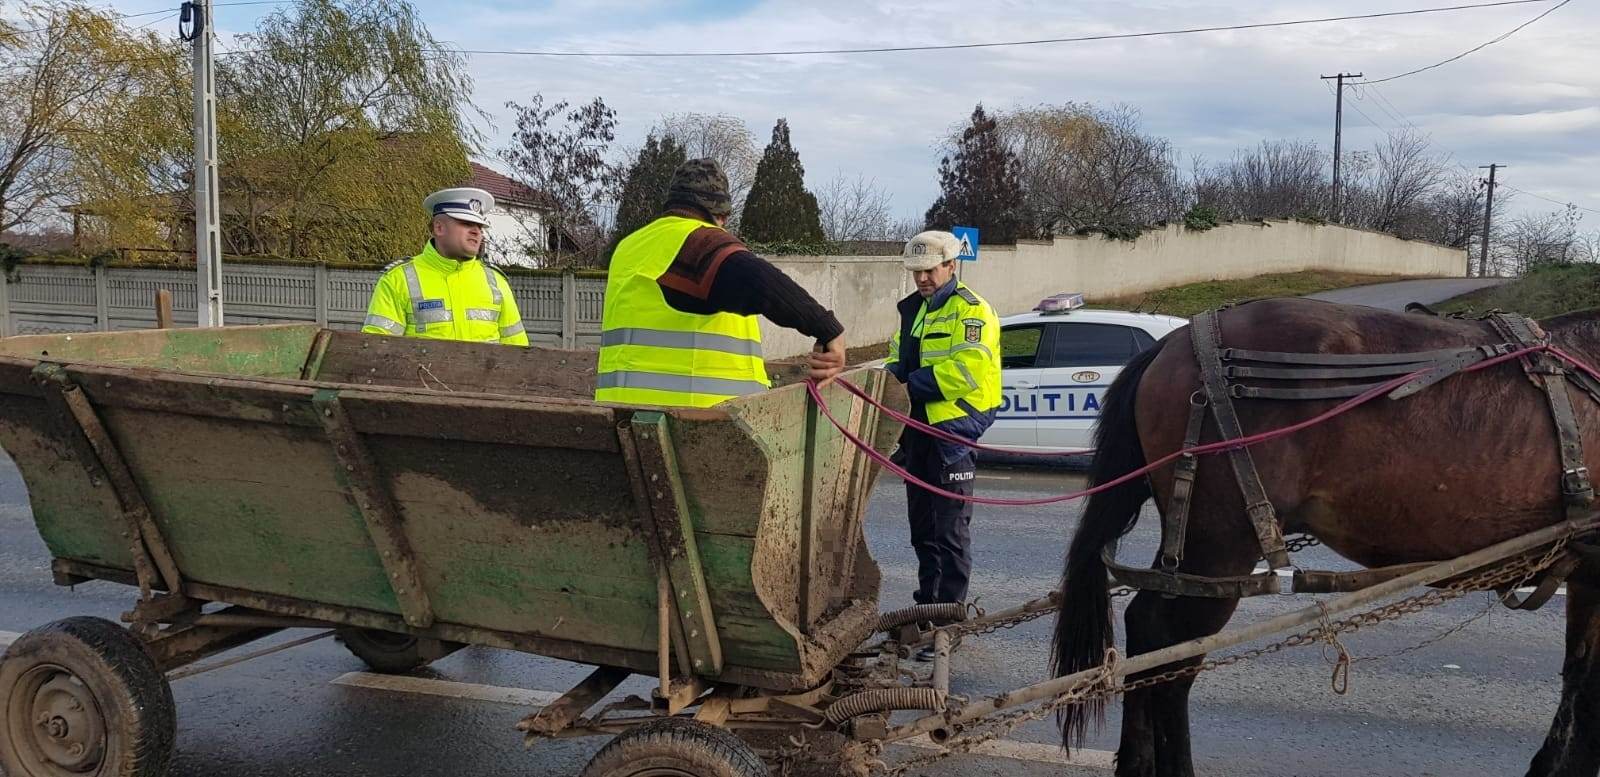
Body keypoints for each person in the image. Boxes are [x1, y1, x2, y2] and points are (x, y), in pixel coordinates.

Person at [595, 158, 846, 408]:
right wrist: (827, 328)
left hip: (617, 417)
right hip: (698, 424)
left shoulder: (629, 246)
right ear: (721, 213)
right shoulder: (698, 241)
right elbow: (757, 279)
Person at [884, 230, 1002, 658]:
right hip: (919, 428)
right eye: (916, 272)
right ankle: (926, 609)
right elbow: (898, 358)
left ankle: (948, 625)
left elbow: (966, 370)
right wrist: (883, 379)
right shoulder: (913, 311)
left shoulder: (972, 311)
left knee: (950, 530)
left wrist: (907, 386)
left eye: (930, 271)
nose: (922, 279)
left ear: (952, 266)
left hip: (954, 429)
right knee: (923, 528)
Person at [362, 187, 529, 346]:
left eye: (479, 226)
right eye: (466, 223)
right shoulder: (397, 279)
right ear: (439, 227)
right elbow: (377, 352)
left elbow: (519, 353)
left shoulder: (496, 282)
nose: (476, 231)